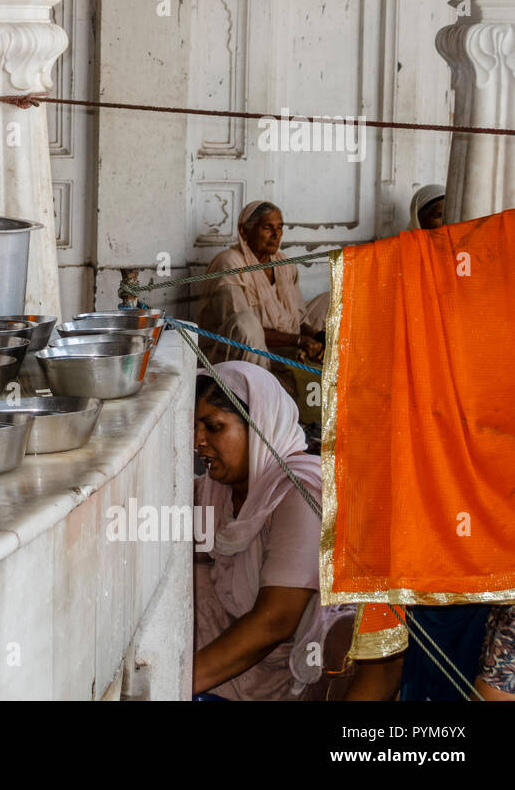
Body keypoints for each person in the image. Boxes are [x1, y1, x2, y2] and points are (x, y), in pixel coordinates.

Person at [192, 362, 351, 699]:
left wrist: (174, 684)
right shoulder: (217, 491)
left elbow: (277, 619)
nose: (197, 441)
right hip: (235, 664)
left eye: (213, 427)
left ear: (258, 426)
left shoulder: (299, 491)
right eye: (193, 428)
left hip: (286, 677)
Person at [196, 201, 328, 370]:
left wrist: (317, 336)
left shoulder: (284, 264)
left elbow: (298, 320)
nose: (276, 235)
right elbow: (242, 331)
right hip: (238, 354)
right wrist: (298, 341)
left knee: (330, 300)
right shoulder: (229, 262)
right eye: (267, 228)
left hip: (285, 345)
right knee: (247, 324)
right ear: (244, 231)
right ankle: (249, 387)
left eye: (280, 227)